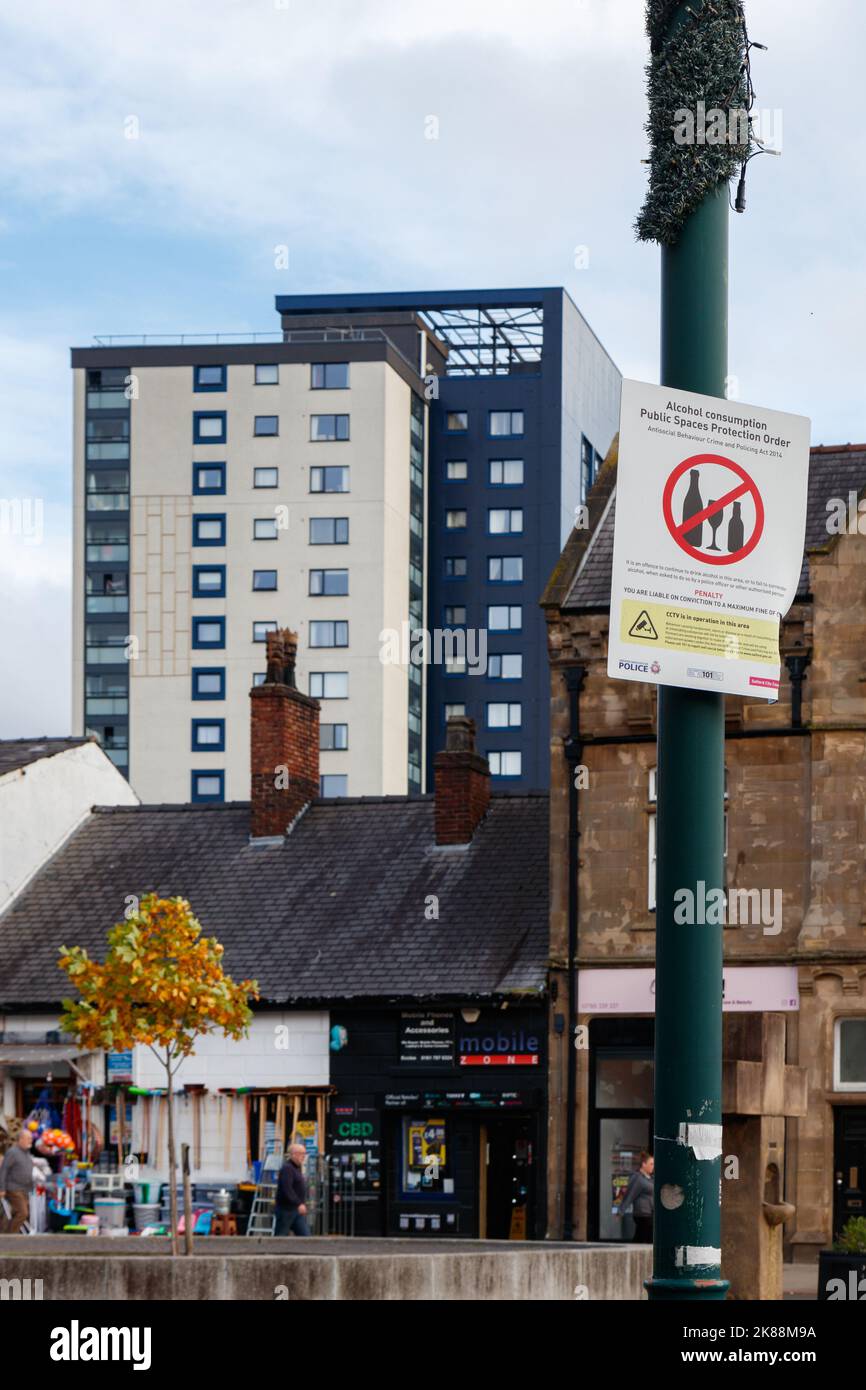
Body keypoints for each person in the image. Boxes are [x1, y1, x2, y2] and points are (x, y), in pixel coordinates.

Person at [0, 1128, 35, 1234]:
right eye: (28, 1138)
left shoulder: (26, 1153)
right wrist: (1, 1188)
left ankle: (5, 1234)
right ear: (20, 1139)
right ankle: (10, 1237)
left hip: (24, 1189)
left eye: (31, 1138)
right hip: (13, 1188)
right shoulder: (12, 1152)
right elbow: (4, 1170)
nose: (30, 1141)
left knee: (19, 1213)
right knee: (22, 1213)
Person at [274, 1143, 311, 1236]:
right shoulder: (287, 1168)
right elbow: (287, 1189)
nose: (304, 1156)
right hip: (286, 1210)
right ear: (293, 1154)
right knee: (280, 1237)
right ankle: (274, 1250)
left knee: (306, 1237)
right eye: (301, 1153)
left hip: (296, 1211)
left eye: (304, 1154)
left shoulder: (296, 1168)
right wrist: (298, 1203)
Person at [621, 1151, 654, 1244]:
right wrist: (621, 1210)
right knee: (643, 1237)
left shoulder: (650, 1178)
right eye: (651, 1164)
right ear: (644, 1164)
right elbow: (630, 1194)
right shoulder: (638, 1178)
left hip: (650, 1213)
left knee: (643, 1236)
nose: (653, 1166)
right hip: (642, 1213)